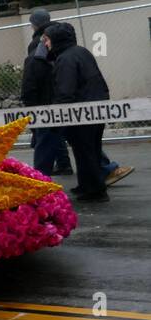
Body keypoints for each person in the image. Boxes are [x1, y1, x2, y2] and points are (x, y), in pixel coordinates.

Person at [44, 21, 110, 203]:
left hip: (79, 114)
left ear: (56, 39)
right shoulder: (82, 52)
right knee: (92, 150)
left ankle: (95, 190)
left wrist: (57, 117)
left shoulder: (65, 59)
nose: (45, 44)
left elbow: (65, 91)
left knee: (84, 151)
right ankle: (89, 185)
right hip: (95, 110)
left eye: (47, 39)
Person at [20, 9, 72, 176]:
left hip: (46, 99)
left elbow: (33, 77)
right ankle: (64, 164)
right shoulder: (62, 37)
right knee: (66, 134)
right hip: (57, 96)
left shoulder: (37, 46)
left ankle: (40, 178)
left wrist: (31, 104)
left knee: (46, 137)